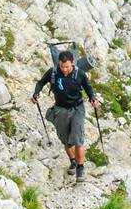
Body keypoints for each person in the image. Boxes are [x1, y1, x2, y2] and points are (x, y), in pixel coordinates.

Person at [32, 50, 98, 184]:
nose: (65, 69)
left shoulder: (79, 73)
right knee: (66, 140)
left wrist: (92, 98)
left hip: (77, 108)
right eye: (62, 66)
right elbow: (40, 83)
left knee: (78, 139)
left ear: (72, 63)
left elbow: (88, 87)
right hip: (60, 109)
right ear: (59, 64)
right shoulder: (53, 72)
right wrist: (36, 94)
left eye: (67, 66)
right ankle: (73, 161)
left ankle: (80, 169)